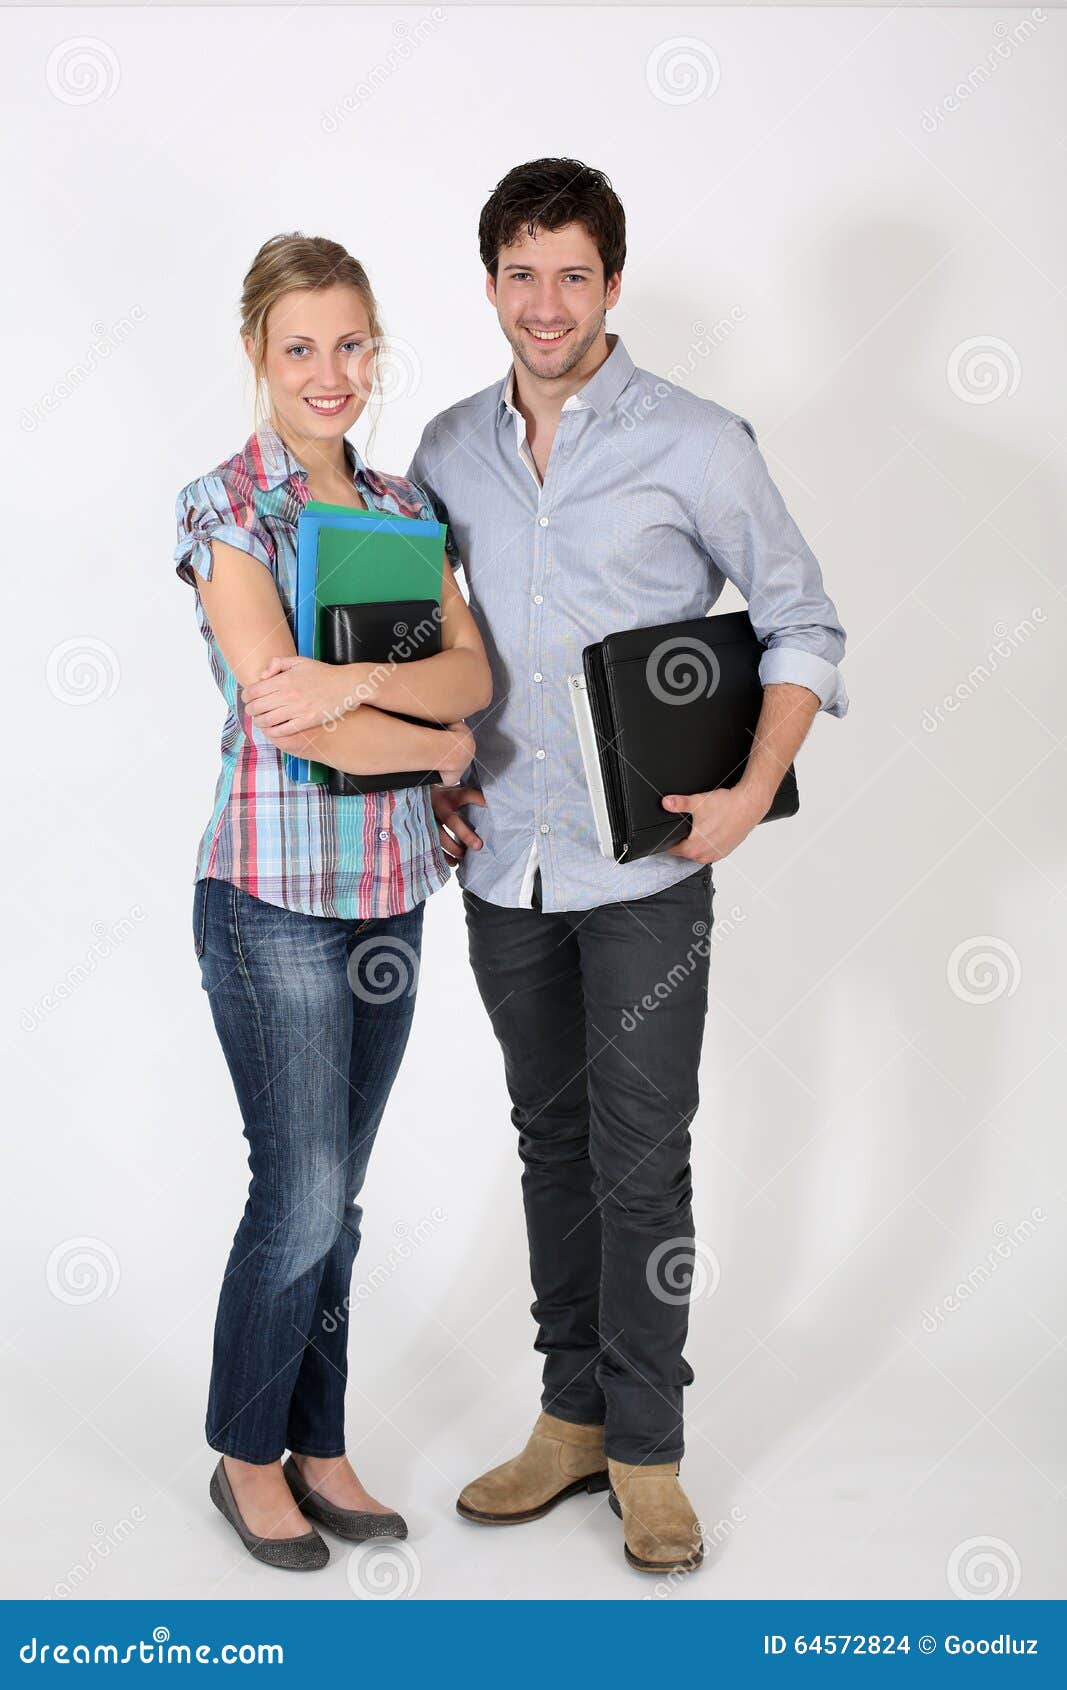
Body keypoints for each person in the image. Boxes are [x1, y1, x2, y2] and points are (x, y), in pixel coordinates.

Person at [409, 159, 849, 1576]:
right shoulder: (444, 448)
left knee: (642, 1163)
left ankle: (651, 1456)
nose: (547, 303)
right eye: (521, 274)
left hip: (649, 870)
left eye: (573, 274)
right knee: (554, 1147)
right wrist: (433, 772)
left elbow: (802, 623)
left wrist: (751, 789)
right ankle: (572, 1418)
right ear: (490, 285)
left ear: (612, 284)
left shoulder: (700, 442)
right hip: (505, 869)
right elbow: (419, 646)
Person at [173, 232, 490, 1570]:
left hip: (391, 895)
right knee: (298, 1190)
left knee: (341, 1194)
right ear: (257, 352)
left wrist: (360, 684)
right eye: (300, 345)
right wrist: (427, 735)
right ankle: (246, 1455)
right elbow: (296, 724)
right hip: (272, 899)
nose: (330, 371)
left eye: (352, 344)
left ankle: (320, 1438)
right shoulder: (227, 510)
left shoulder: (406, 511)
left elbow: (471, 672)